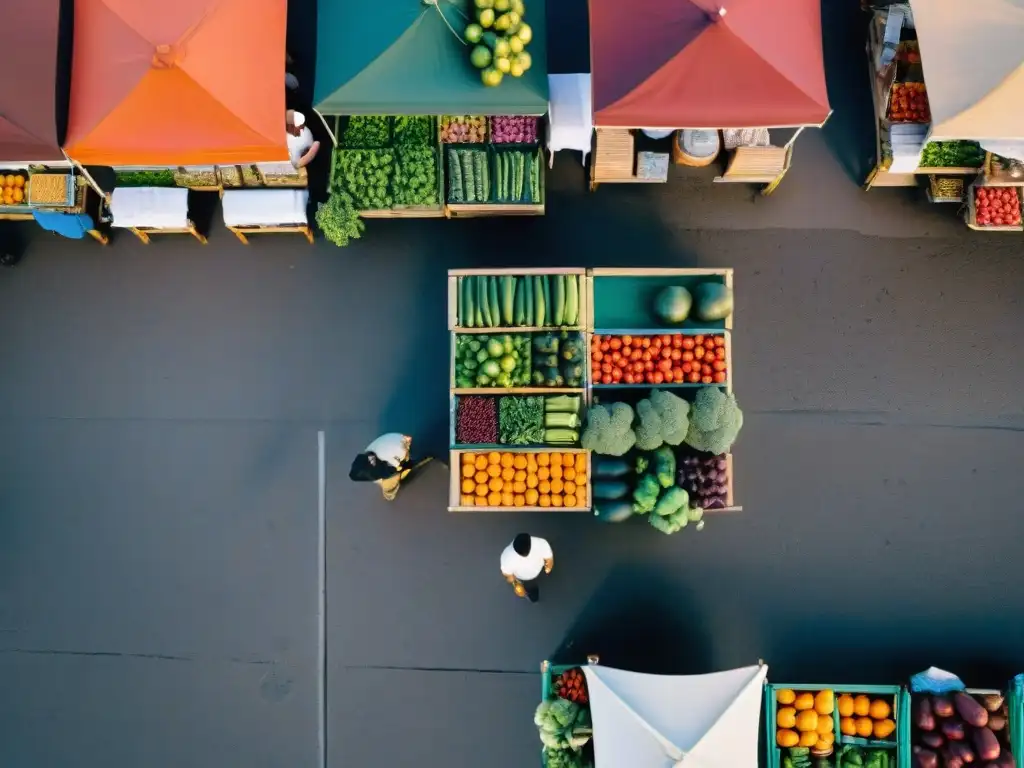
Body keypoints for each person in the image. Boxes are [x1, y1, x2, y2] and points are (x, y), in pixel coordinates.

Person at [348, 433, 433, 501]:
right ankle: (391, 487)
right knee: (398, 471)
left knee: (392, 479)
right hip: (396, 439)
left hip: (399, 448)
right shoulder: (374, 453)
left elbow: (391, 470)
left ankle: (390, 492)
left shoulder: (387, 462)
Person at [500, 533, 553, 603]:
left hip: (537, 571)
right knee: (532, 593)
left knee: (531, 592)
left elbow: (509, 577)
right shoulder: (541, 543)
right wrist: (517, 585)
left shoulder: (505, 557)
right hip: (525, 578)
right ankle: (533, 598)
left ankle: (533, 598)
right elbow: (509, 576)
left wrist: (548, 567)